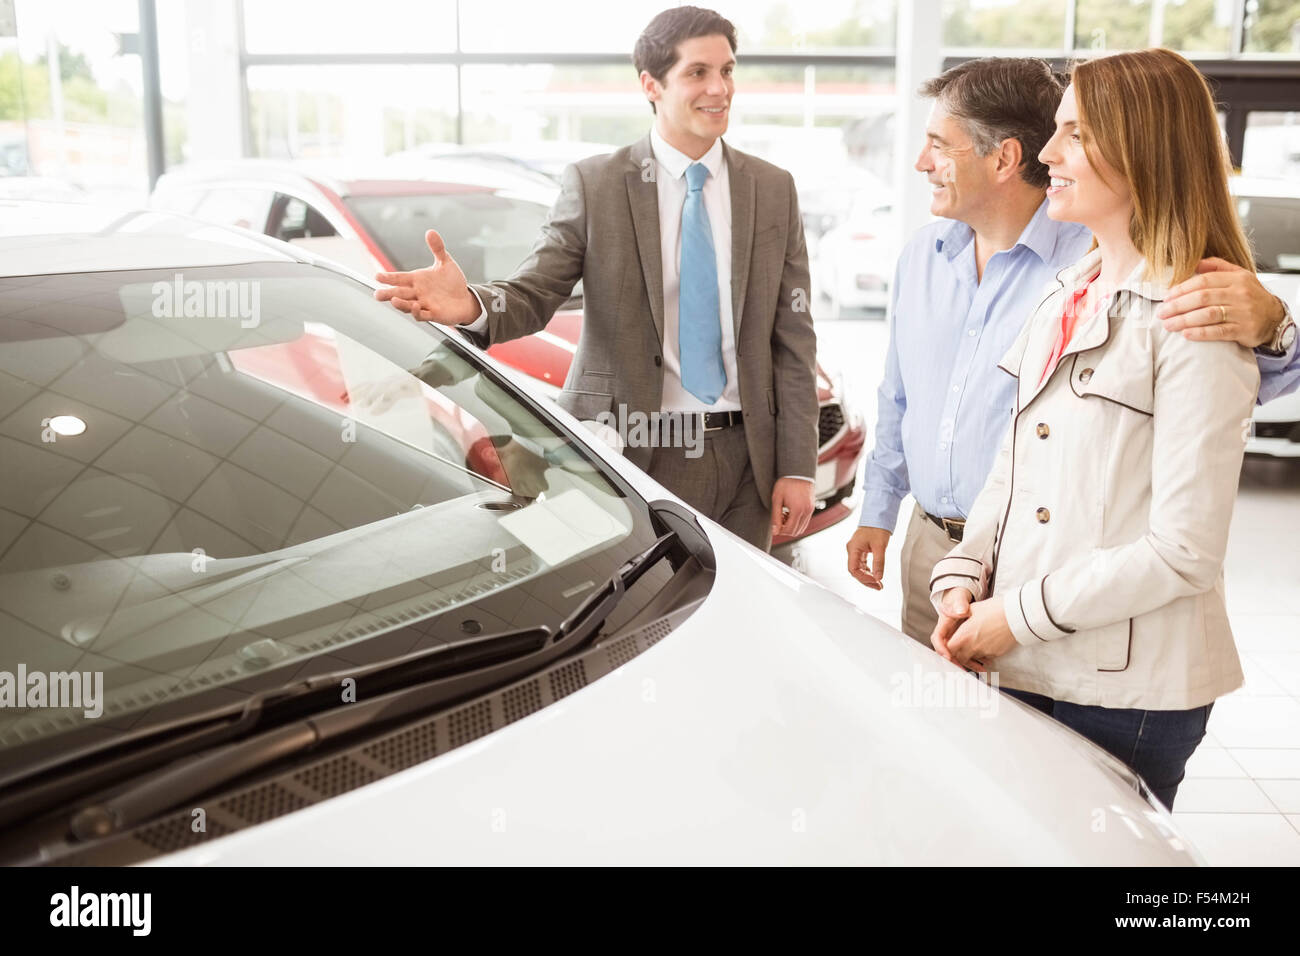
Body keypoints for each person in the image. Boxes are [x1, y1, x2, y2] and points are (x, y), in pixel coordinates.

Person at [846, 57, 1298, 644]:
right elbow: (898, 396)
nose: (920, 162)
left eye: (939, 144)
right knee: (928, 724)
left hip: (1048, 562)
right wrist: (879, 510)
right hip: (934, 555)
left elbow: (1230, 384)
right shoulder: (922, 257)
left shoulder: (1097, 263)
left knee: (1029, 733)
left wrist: (1274, 326)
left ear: (1004, 157)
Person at [928, 48, 1263, 810]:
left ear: (1142, 148)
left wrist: (1011, 617)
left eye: (1073, 134)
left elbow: (1183, 552)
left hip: (1125, 690)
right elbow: (1010, 470)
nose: (1047, 155)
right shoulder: (1067, 293)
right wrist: (962, 573)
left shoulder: (1195, 314)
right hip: (1034, 664)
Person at [372, 6, 818, 552]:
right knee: (640, 611)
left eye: (727, 70)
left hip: (749, 456)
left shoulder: (773, 188)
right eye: (697, 72)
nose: (719, 88)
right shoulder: (599, 183)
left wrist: (797, 464)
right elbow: (535, 293)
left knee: (737, 614)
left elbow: (793, 339)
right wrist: (469, 304)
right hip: (634, 449)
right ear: (651, 84)